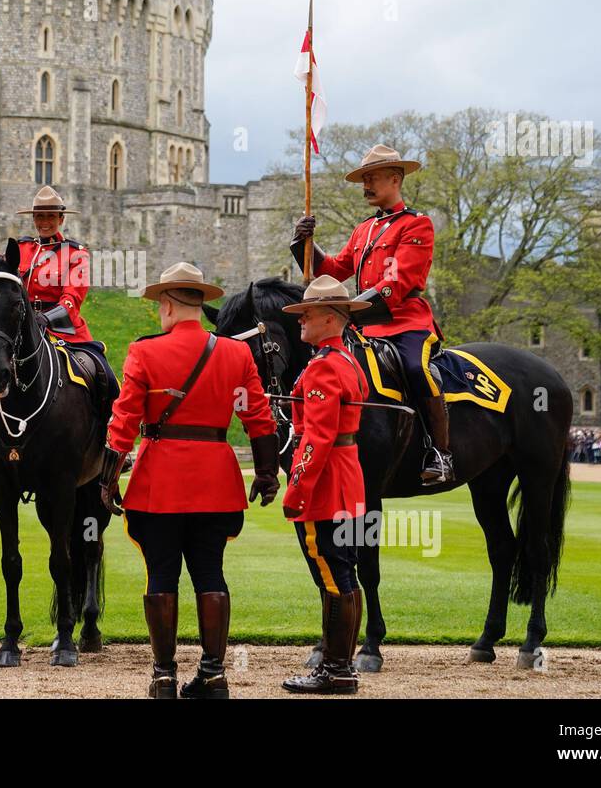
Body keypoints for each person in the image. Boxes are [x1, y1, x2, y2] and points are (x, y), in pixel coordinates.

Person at [100, 262, 280, 699]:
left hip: (159, 481)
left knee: (161, 576)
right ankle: (214, 674)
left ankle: (163, 676)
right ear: (199, 303)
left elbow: (123, 421)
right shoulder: (237, 354)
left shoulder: (144, 352)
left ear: (166, 304)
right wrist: (269, 472)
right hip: (217, 480)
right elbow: (258, 417)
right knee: (211, 574)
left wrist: (108, 477)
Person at [290, 144, 453, 486]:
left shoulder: (417, 224)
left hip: (405, 322)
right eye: (364, 179)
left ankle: (439, 453)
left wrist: (351, 312)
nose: (366, 185)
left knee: (415, 369)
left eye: (372, 178)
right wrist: (304, 244)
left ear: (395, 179)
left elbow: (398, 283)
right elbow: (334, 271)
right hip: (364, 326)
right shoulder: (363, 230)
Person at [0, 185, 120, 477]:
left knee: (103, 374)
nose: (44, 221)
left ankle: (109, 444)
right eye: (39, 216)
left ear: (60, 218)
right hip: (20, 330)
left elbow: (74, 297)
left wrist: (48, 319)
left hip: (65, 331)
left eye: (50, 216)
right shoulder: (20, 249)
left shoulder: (75, 253)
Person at [276, 276, 369, 695]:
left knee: (332, 577)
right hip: (347, 479)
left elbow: (316, 438)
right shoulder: (346, 360)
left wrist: (296, 490)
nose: (301, 321)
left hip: (325, 484)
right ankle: (342, 664)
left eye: (307, 314)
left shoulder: (324, 367)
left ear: (330, 319)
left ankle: (334, 668)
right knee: (345, 575)